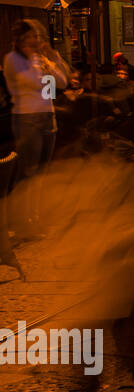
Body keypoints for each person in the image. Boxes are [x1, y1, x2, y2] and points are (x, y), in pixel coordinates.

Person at [4, 20, 69, 238]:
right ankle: (22, 221)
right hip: (27, 117)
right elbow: (32, 82)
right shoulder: (13, 60)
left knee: (42, 173)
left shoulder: (40, 59)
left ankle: (37, 218)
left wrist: (54, 57)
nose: (37, 40)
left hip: (46, 116)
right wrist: (44, 69)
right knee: (28, 172)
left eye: (38, 36)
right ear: (21, 38)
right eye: (33, 36)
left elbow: (60, 83)